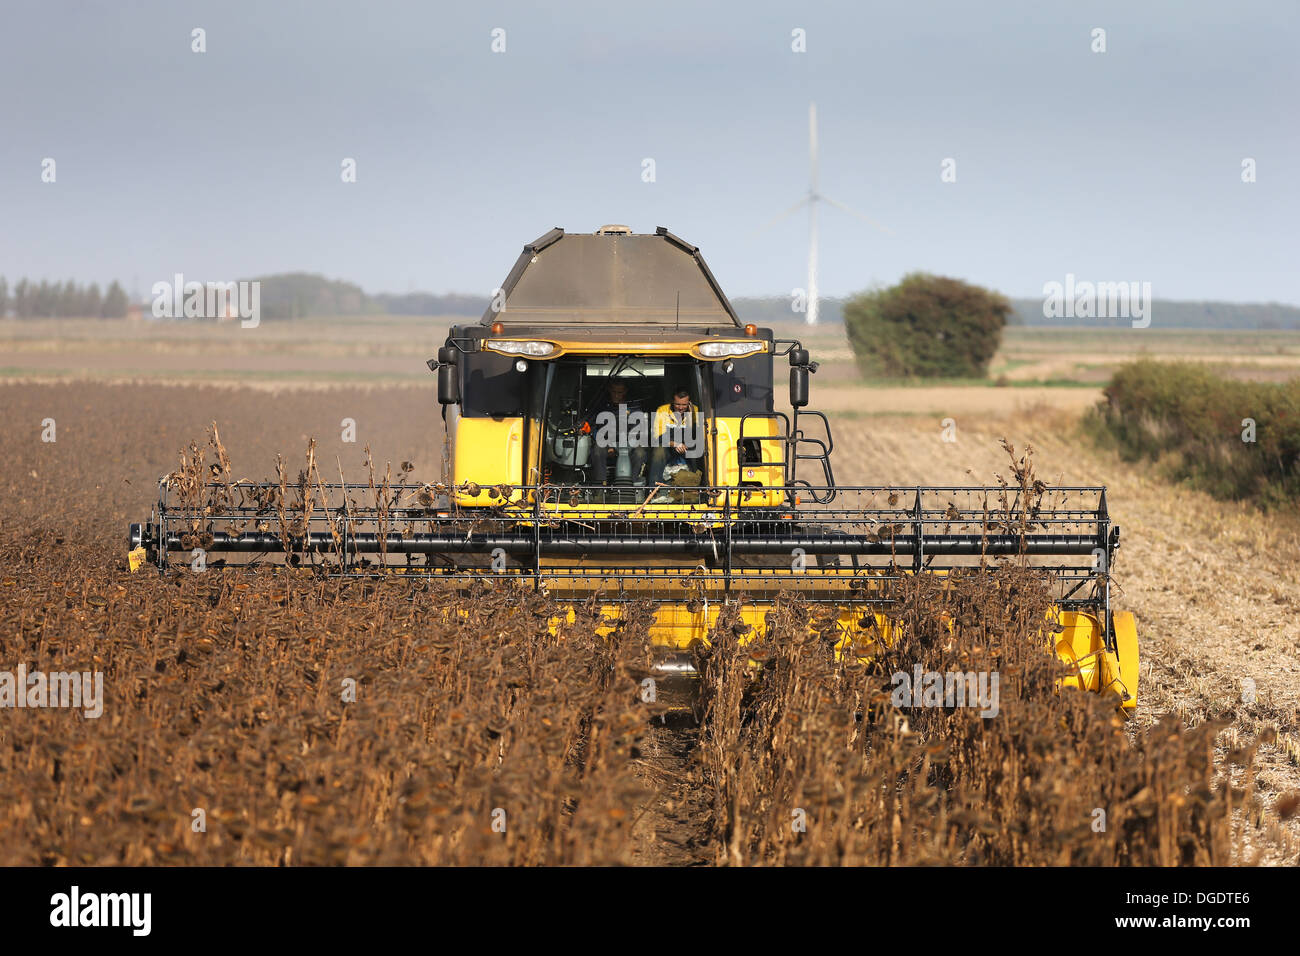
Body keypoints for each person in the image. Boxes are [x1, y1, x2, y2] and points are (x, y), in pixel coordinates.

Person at [587, 378, 646, 485]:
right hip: (606, 442)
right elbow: (593, 427)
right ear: (609, 390)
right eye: (614, 392)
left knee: (640, 452)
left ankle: (630, 484)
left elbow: (639, 429)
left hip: (629, 443)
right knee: (597, 449)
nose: (616, 395)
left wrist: (625, 446)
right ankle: (601, 485)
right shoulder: (601, 405)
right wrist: (609, 445)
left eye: (620, 392)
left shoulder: (634, 405)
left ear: (625, 391)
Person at [648, 387, 702, 488]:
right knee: (658, 451)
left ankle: (696, 487)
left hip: (687, 445)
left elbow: (697, 436)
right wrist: (675, 444)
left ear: (689, 403)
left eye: (684, 405)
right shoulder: (662, 410)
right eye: (677, 404)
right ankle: (654, 491)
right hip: (668, 446)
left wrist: (690, 417)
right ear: (672, 401)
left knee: (698, 450)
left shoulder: (695, 411)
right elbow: (656, 437)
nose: (680, 408)